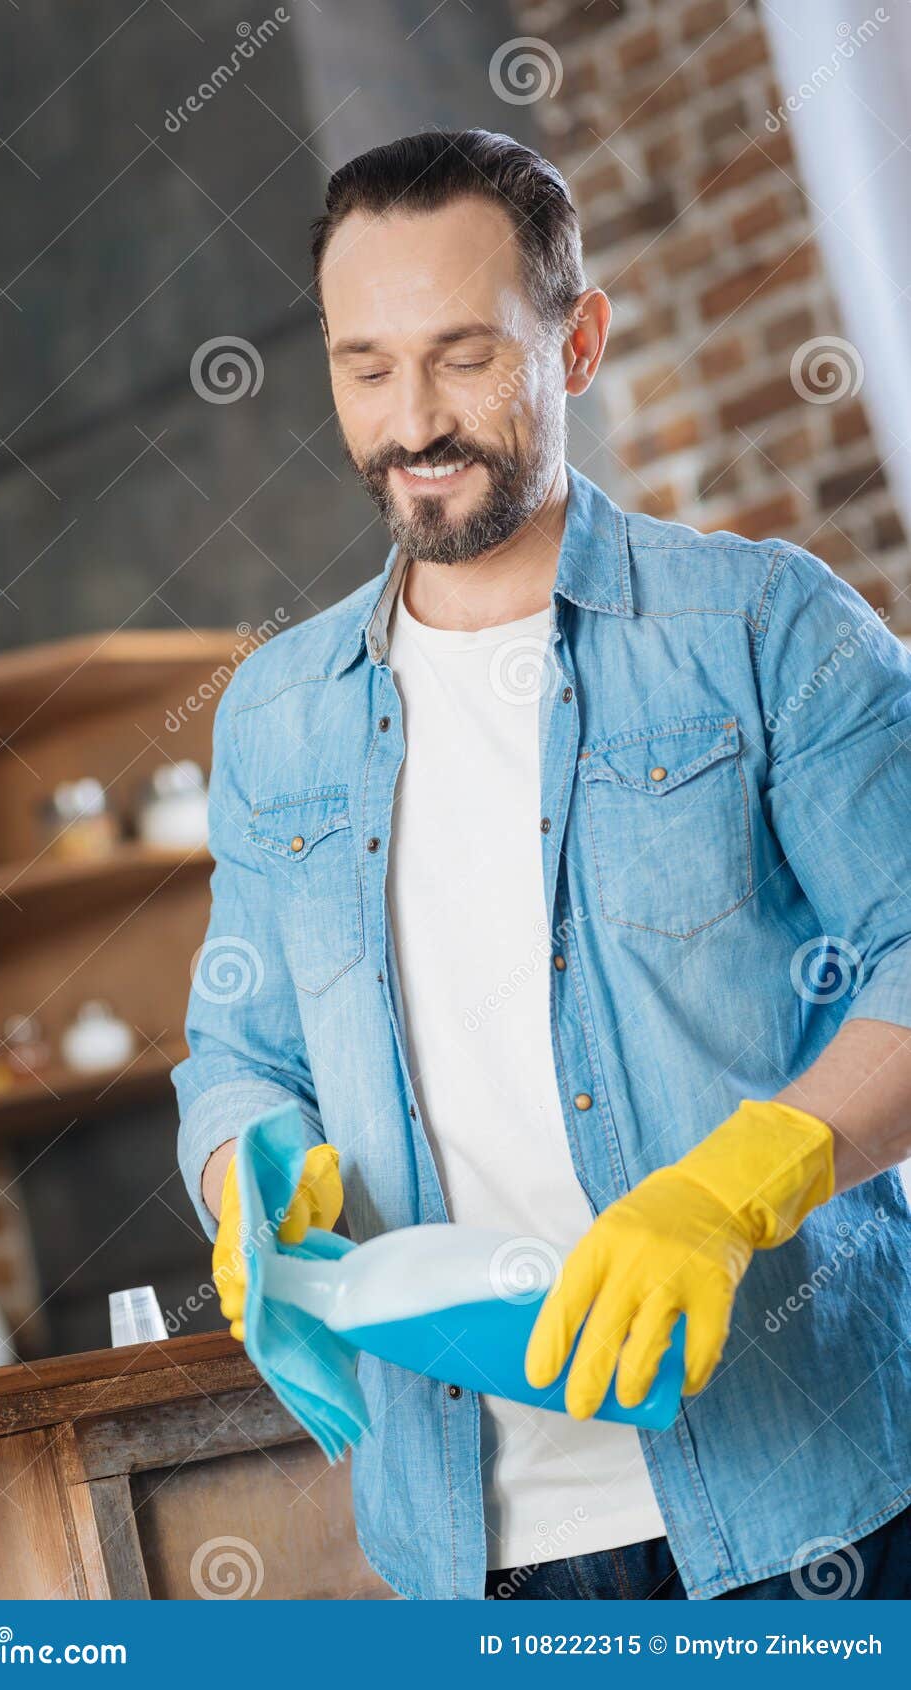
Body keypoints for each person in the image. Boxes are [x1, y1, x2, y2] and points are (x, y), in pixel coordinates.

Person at [173, 129, 911, 1601]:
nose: (411, 422)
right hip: (473, 1547)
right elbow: (235, 1047)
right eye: (366, 366)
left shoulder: (765, 630)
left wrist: (736, 1188)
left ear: (575, 340)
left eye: (461, 357)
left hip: (815, 1496)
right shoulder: (278, 715)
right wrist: (241, 1172)